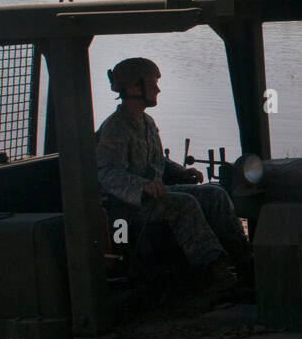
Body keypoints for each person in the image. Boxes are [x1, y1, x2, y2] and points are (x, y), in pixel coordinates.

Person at [96, 57, 251, 295]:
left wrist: (180, 171)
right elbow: (108, 173)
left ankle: (244, 261)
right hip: (129, 205)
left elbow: (157, 161)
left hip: (154, 196)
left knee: (215, 194)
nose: (157, 89)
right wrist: (143, 186)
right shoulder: (115, 128)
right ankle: (214, 270)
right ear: (133, 87)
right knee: (184, 204)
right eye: (152, 83)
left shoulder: (147, 122)